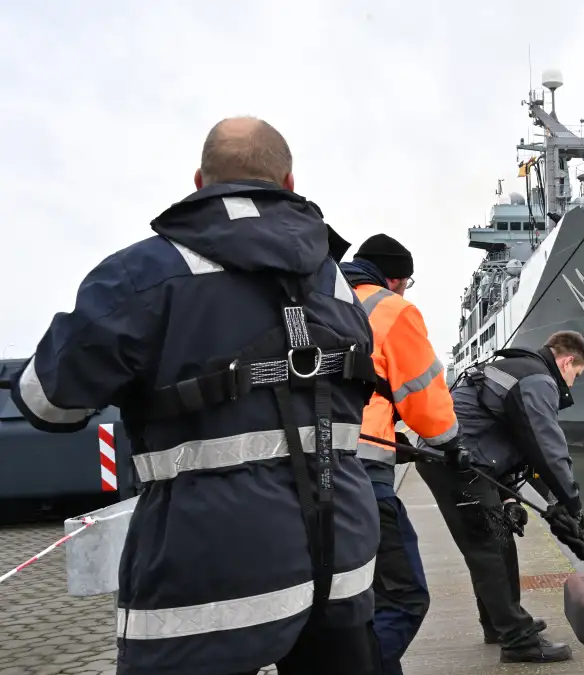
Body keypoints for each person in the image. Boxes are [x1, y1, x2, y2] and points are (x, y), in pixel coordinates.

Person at [4, 116, 391, 675]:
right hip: (339, 564)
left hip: (204, 581)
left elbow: (47, 401)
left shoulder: (142, 274)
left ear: (198, 182)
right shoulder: (334, 281)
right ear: (288, 182)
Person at [414, 330, 584, 664]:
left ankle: (501, 622)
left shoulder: (517, 369)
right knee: (490, 549)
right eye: (576, 375)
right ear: (567, 361)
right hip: (460, 464)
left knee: (497, 541)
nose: (573, 383)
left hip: (460, 460)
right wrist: (572, 503)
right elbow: (546, 446)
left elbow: (523, 446)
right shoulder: (538, 379)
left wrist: (552, 496)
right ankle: (518, 640)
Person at [340, 234, 466, 675]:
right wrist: (451, 444)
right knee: (405, 597)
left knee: (352, 601)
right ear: (395, 279)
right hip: (362, 473)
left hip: (301, 470)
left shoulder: (321, 300)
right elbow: (427, 403)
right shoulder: (391, 309)